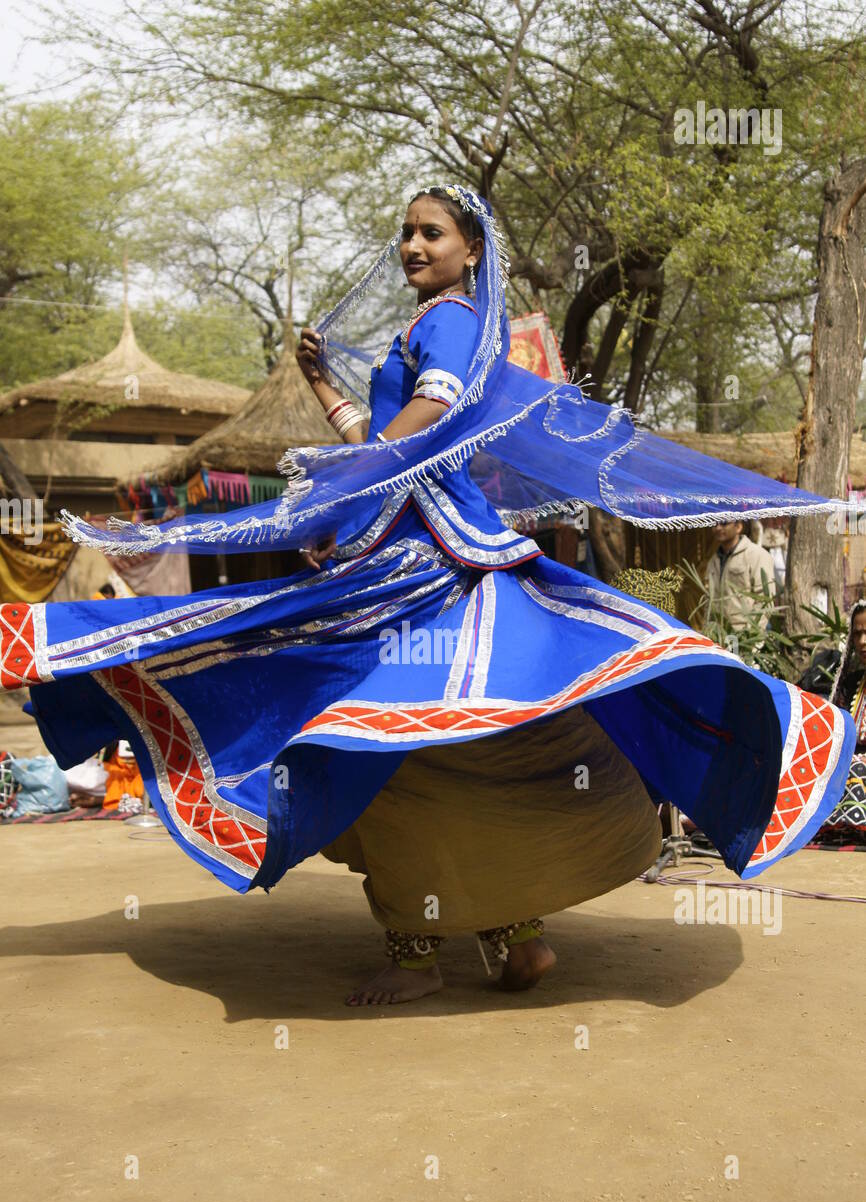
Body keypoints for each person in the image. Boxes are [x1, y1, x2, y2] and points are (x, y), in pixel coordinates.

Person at [0, 184, 856, 1006]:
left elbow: (433, 411)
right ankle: (517, 936)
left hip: (428, 560)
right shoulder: (438, 325)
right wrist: (331, 395)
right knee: (462, 742)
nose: (412, 245)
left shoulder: (449, 323)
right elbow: (390, 436)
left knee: (387, 749)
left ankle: (423, 954)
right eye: (406, 232)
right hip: (430, 549)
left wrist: (349, 466)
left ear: (471, 251)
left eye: (432, 233)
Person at [820, 599, 866, 838]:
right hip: (852, 767)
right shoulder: (850, 685)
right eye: (857, 634)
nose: (862, 642)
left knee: (857, 769)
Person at [705, 519, 776, 631]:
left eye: (724, 523)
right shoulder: (713, 561)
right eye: (714, 524)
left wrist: (753, 637)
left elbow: (765, 600)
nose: (718, 528)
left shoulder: (757, 555)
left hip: (746, 636)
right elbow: (709, 601)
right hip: (720, 635)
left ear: (738, 526)